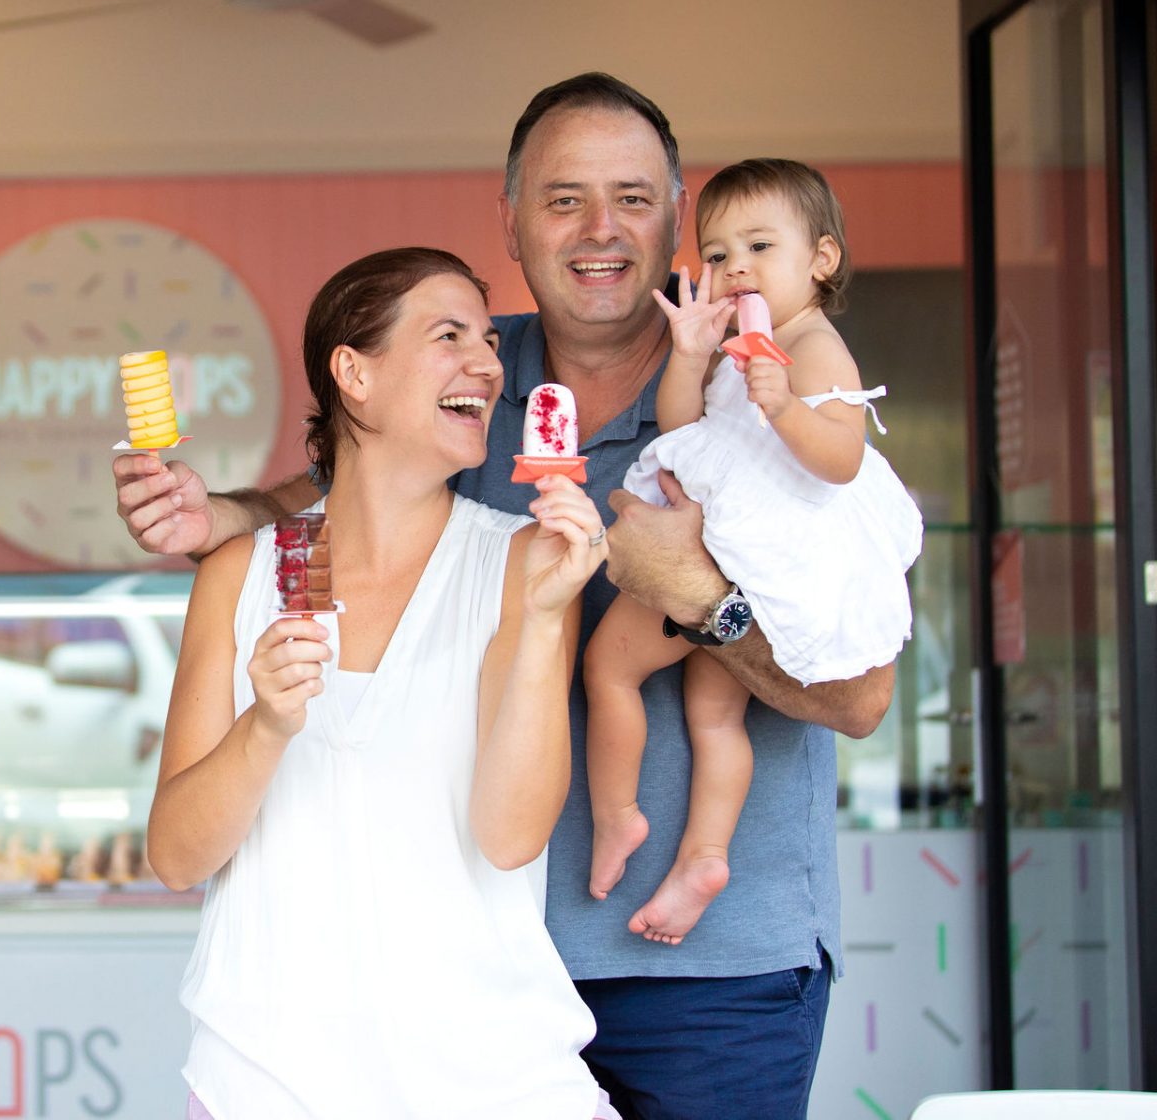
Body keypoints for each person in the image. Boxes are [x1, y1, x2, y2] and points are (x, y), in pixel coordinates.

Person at [115, 73, 896, 1120]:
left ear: (680, 218)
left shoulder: (753, 391)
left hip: (715, 970)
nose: (600, 228)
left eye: (632, 196)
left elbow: (859, 695)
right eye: (564, 198)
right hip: (480, 978)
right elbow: (339, 495)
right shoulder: (475, 388)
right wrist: (223, 514)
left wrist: (701, 596)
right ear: (512, 221)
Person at [149, 246, 618, 1120]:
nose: (487, 362)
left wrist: (552, 615)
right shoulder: (244, 576)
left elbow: (511, 836)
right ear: (353, 373)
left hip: (497, 1087)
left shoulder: (524, 564)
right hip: (266, 1088)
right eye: (450, 336)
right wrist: (266, 727)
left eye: (487, 340)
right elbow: (176, 856)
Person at [583, 159, 923, 946]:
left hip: (751, 559)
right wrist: (691, 355)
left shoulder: (814, 346)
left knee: (608, 667)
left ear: (822, 259)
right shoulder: (745, 341)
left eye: (760, 246)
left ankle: (618, 817)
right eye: (718, 252)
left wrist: (782, 407)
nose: (735, 268)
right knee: (713, 713)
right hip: (734, 545)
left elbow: (839, 459)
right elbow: (683, 432)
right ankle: (701, 860)